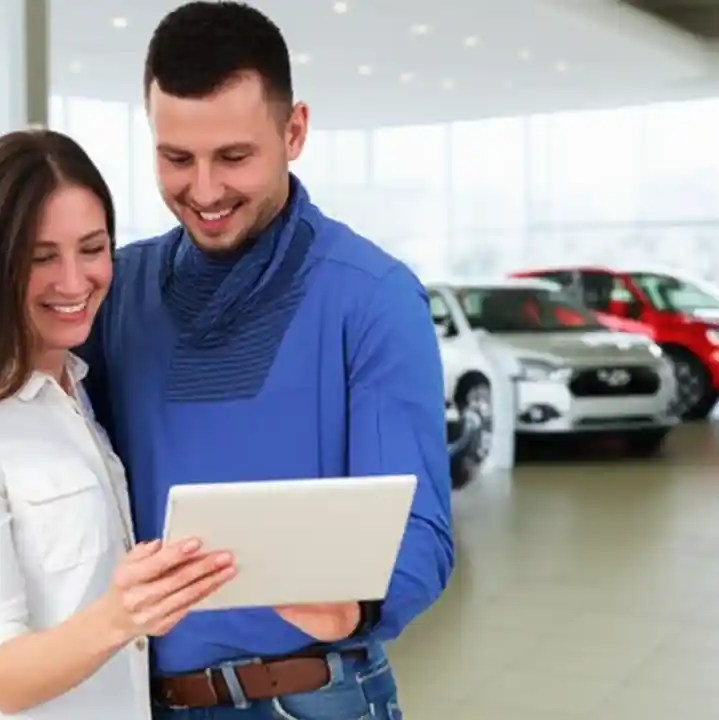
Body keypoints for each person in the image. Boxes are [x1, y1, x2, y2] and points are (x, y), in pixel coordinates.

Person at [75, 2, 454, 718]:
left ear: (295, 131)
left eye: (234, 157)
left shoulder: (372, 297)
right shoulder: (117, 292)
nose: (205, 191)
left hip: (308, 698)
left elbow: (420, 529)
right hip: (139, 699)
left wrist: (355, 604)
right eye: (176, 158)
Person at [0, 129, 239, 719]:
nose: (74, 281)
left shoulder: (76, 393)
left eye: (92, 249)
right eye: (42, 258)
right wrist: (122, 614)